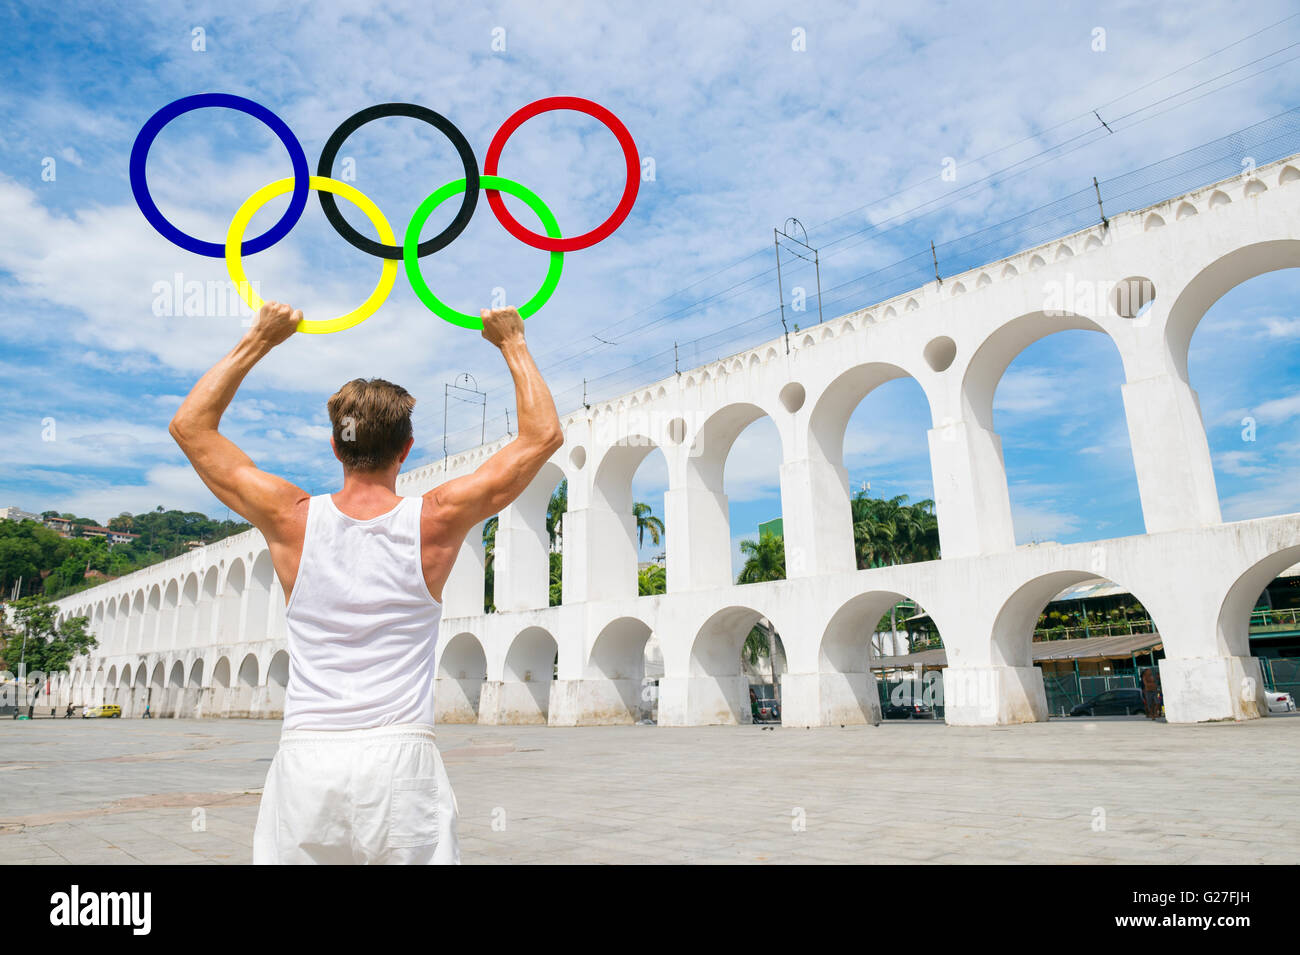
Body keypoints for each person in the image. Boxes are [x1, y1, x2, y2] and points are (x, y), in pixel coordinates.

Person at [168, 302, 561, 865]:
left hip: (308, 758)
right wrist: (512, 342)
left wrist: (261, 338)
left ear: (336, 446)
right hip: (401, 762)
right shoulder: (438, 518)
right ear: (406, 449)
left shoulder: (290, 518)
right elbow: (541, 436)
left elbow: (190, 427)